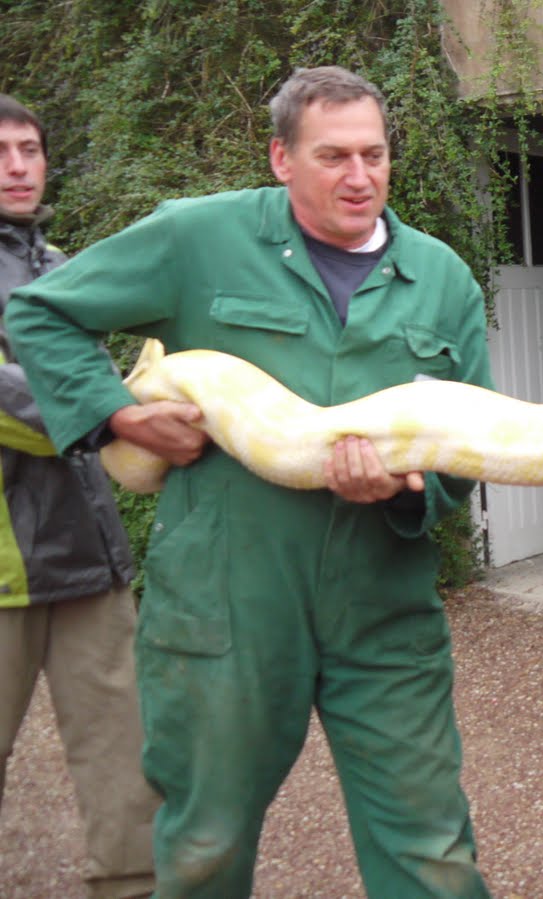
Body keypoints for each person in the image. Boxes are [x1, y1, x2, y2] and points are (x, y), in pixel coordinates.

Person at [5, 67, 493, 897]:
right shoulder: (199, 238)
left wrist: (411, 490)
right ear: (280, 158)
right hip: (224, 606)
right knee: (202, 846)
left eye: (374, 154)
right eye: (333, 155)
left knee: (434, 854)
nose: (360, 177)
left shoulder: (442, 278)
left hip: (384, 608)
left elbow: (470, 437)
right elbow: (41, 312)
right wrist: (117, 414)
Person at [0, 92, 160, 899]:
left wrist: (106, 401)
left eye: (30, 148)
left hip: (88, 552)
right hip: (3, 571)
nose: (18, 166)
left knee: (125, 756)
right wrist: (113, 411)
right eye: (1, 151)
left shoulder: (62, 265)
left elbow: (91, 382)